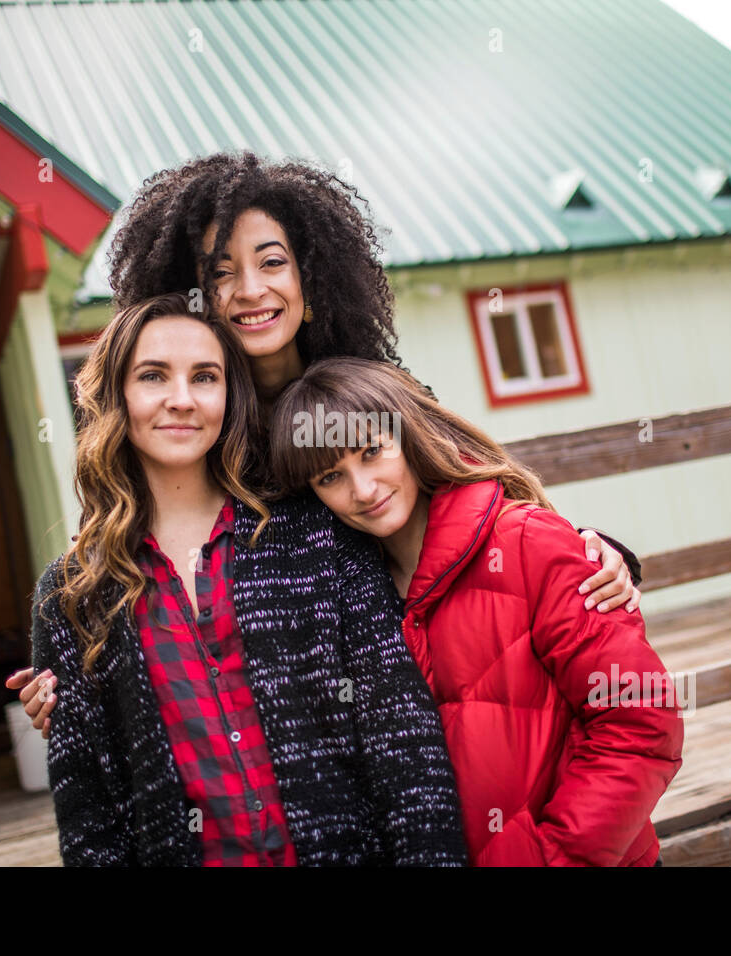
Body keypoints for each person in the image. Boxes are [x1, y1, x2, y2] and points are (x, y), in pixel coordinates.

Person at [10, 151, 641, 736]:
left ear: (310, 276)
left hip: (421, 678)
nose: (252, 289)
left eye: (272, 262)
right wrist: (77, 672)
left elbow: (475, 495)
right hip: (291, 721)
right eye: (221, 273)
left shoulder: (361, 389)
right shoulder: (191, 419)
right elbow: (143, 538)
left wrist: (595, 554)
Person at [31, 293, 467, 865]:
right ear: (118, 395)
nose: (182, 400)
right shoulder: (73, 595)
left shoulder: (316, 533)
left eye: (205, 377)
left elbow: (402, 741)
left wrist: (587, 548)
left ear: (229, 397)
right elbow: (90, 819)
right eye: (154, 376)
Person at [266, 357, 685, 866]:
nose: (364, 489)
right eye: (332, 476)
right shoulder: (345, 599)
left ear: (409, 436)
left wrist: (552, 858)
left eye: (372, 451)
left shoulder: (527, 541)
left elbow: (639, 720)